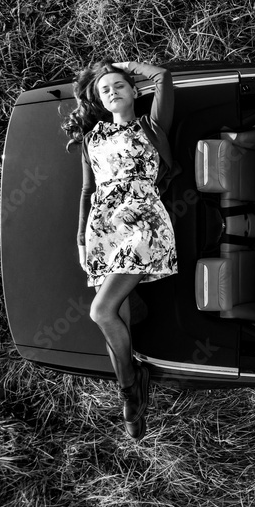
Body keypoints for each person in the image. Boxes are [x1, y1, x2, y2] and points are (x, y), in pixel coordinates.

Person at [61, 59, 179, 440]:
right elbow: (87, 191)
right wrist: (81, 240)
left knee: (101, 310)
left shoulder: (151, 126)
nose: (112, 92)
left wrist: (120, 66)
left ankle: (130, 386)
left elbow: (163, 77)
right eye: (105, 89)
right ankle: (132, 392)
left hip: (143, 223)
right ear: (98, 100)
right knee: (117, 315)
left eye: (119, 85)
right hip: (103, 229)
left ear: (133, 91)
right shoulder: (91, 139)